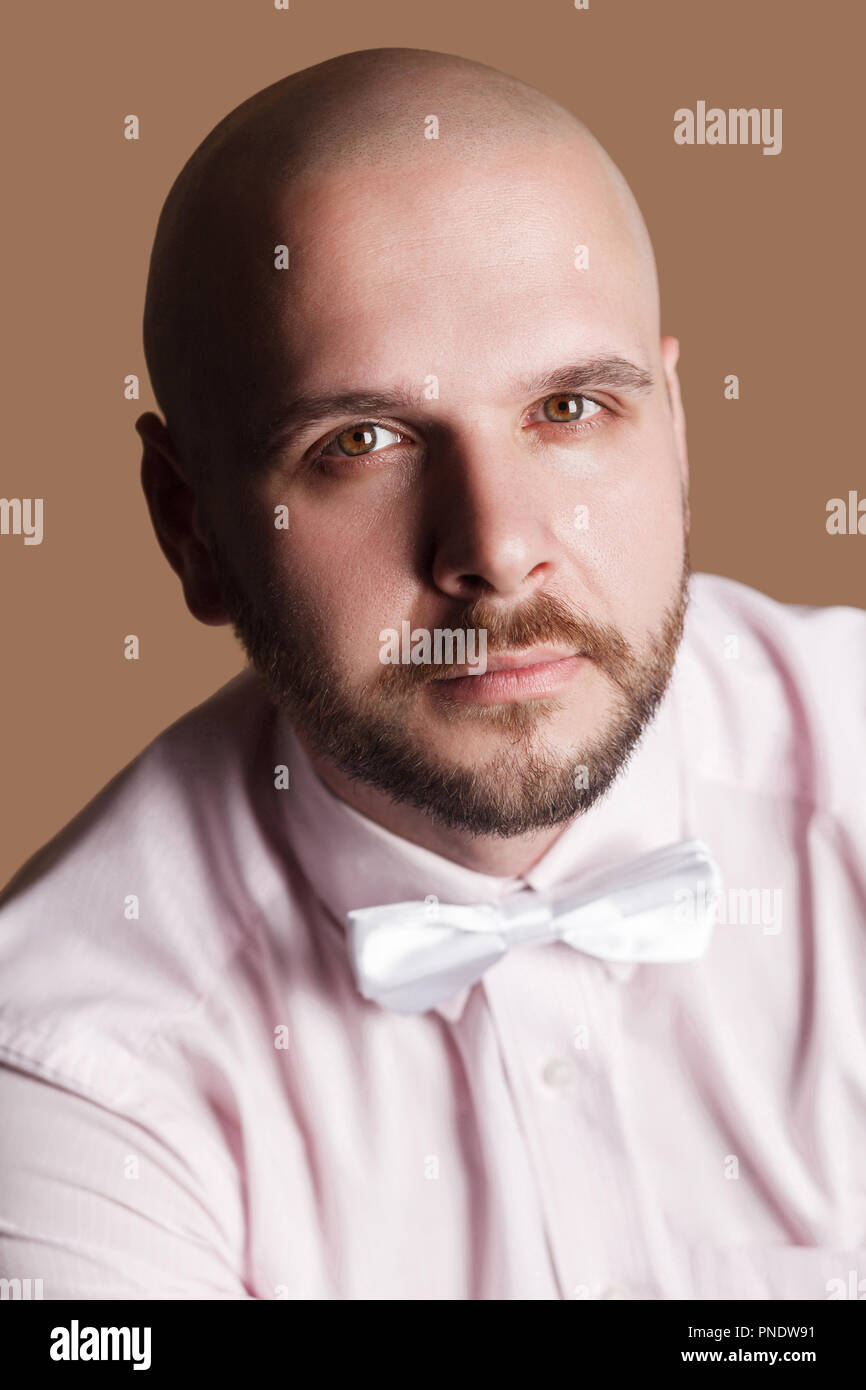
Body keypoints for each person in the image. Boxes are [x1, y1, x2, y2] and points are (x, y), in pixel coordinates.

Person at [0, 47, 863, 1301]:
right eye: (362, 440)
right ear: (190, 525)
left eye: (569, 408)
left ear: (673, 436)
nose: (497, 550)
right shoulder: (70, 1069)